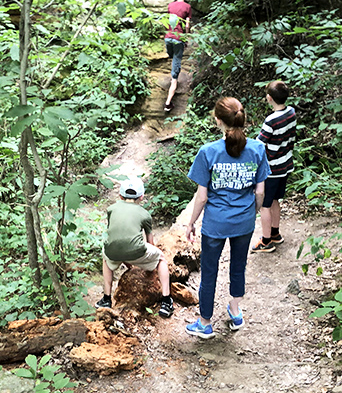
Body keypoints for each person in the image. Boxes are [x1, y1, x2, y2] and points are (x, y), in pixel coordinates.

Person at [185, 97, 269, 338]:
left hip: (215, 223)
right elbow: (260, 191)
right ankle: (235, 310)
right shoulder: (257, 149)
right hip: (243, 221)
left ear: (218, 120)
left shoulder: (208, 152)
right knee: (238, 266)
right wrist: (252, 212)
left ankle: (205, 323)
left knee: (209, 272)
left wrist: (191, 223)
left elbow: (201, 197)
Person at [96, 177, 174, 318]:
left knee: (106, 256)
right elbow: (150, 242)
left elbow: (117, 235)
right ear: (142, 196)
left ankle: (106, 298)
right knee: (161, 258)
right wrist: (151, 264)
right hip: (136, 251)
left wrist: (127, 262)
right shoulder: (144, 214)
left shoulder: (111, 209)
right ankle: (166, 301)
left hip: (113, 251)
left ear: (120, 196)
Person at [251, 80, 297, 253]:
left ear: (269, 98)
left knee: (264, 205)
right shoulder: (291, 113)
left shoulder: (271, 120)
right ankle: (275, 233)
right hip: (285, 165)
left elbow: (259, 144)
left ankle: (266, 241)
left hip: (271, 169)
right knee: (276, 200)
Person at [164, 0, 192, 113]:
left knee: (171, 55)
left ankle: (173, 62)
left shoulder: (170, 6)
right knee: (175, 74)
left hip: (168, 38)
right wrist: (185, 38)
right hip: (179, 39)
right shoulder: (187, 7)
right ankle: (168, 103)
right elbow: (187, 25)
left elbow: (168, 21)